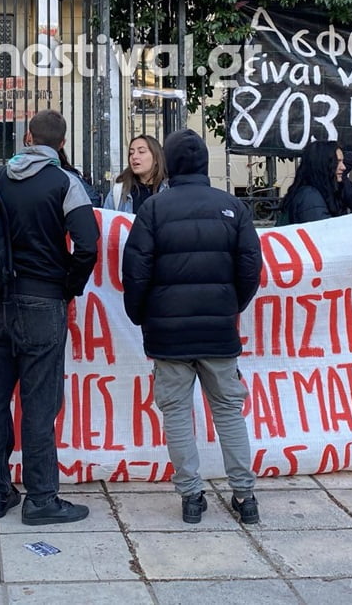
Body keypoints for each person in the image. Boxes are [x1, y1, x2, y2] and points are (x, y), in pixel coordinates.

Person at [122, 129, 263, 525]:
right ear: (203, 163)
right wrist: (230, 306)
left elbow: (135, 270)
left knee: (177, 413)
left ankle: (191, 497)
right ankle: (245, 496)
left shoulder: (153, 210)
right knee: (229, 411)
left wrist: (141, 315)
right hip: (219, 329)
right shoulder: (232, 206)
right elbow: (251, 267)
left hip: (168, 332)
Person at [0, 110, 99, 526]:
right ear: (62, 145)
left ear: (28, 137)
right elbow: (87, 243)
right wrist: (69, 284)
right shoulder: (66, 182)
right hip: (43, 301)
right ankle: (41, 498)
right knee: (39, 403)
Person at [278, 140, 347, 224]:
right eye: (337, 162)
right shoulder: (310, 197)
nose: (343, 167)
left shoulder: (310, 194)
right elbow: (324, 232)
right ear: (322, 164)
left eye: (342, 161)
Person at [103, 135, 167, 213]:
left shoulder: (169, 188)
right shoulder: (118, 191)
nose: (134, 156)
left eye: (141, 151)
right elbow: (107, 222)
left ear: (156, 158)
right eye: (131, 153)